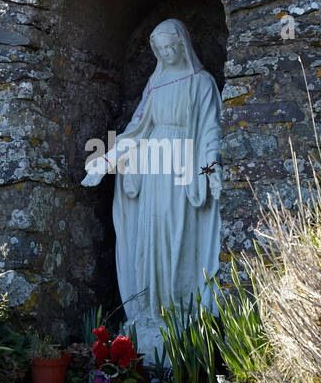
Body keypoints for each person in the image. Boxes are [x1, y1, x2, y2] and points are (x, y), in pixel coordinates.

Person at [81, 18, 222, 359]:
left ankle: (181, 313)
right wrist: (105, 162)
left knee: (179, 237)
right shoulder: (155, 85)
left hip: (183, 165)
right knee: (152, 236)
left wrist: (210, 169)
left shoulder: (201, 83)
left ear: (183, 45)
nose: (166, 53)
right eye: (159, 49)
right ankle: (151, 312)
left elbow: (210, 129)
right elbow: (135, 130)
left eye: (171, 47)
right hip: (155, 165)